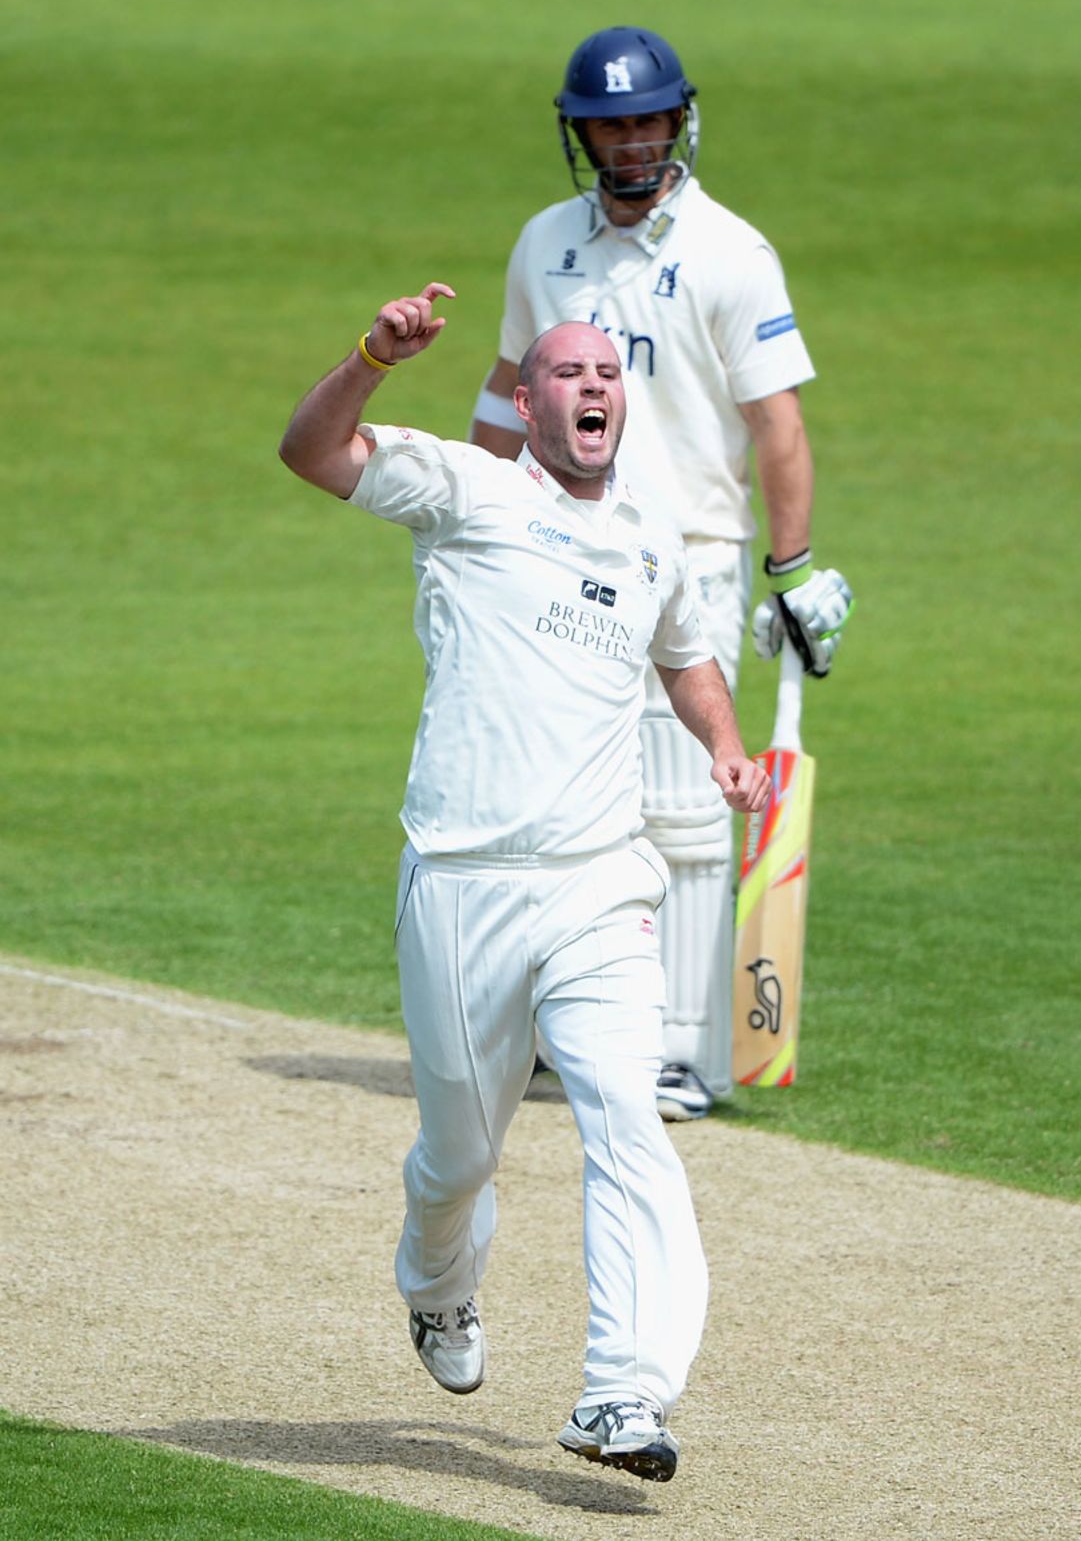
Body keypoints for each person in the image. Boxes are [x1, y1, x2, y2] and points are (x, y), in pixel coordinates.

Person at [278, 284, 770, 1483]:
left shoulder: (654, 539)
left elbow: (687, 657)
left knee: (628, 1121)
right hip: (461, 879)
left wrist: (721, 744)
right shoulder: (467, 489)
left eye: (606, 372)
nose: (591, 385)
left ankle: (624, 1391)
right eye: (564, 370)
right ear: (524, 396)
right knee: (459, 1157)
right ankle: (439, 1289)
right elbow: (312, 451)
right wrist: (370, 357)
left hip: (601, 883)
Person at [470, 27, 853, 1122]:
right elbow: (506, 390)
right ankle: (565, 1029)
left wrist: (794, 568)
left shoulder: (736, 252)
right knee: (557, 790)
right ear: (579, 131)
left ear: (679, 121)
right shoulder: (545, 243)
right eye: (610, 123)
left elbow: (775, 423)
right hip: (554, 549)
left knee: (686, 806)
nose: (631, 141)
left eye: (647, 119)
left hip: (686, 554)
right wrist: (477, 512)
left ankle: (683, 1050)